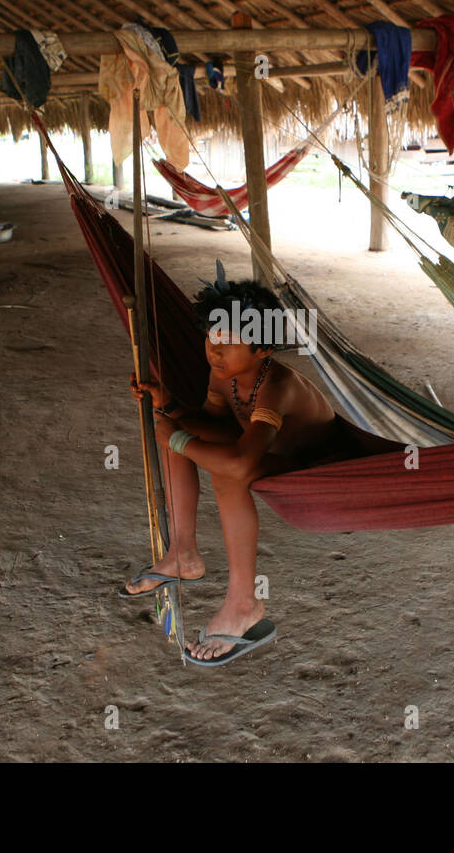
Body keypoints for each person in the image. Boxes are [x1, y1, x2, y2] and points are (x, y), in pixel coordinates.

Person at [122, 277, 352, 666]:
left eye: (228, 340)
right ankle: (183, 552)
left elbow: (242, 463)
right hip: (263, 448)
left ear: (261, 348)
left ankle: (244, 604)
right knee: (177, 429)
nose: (214, 349)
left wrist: (177, 439)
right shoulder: (224, 374)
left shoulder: (276, 387)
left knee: (223, 471)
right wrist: (172, 408)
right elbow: (214, 423)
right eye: (211, 336)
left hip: (316, 468)